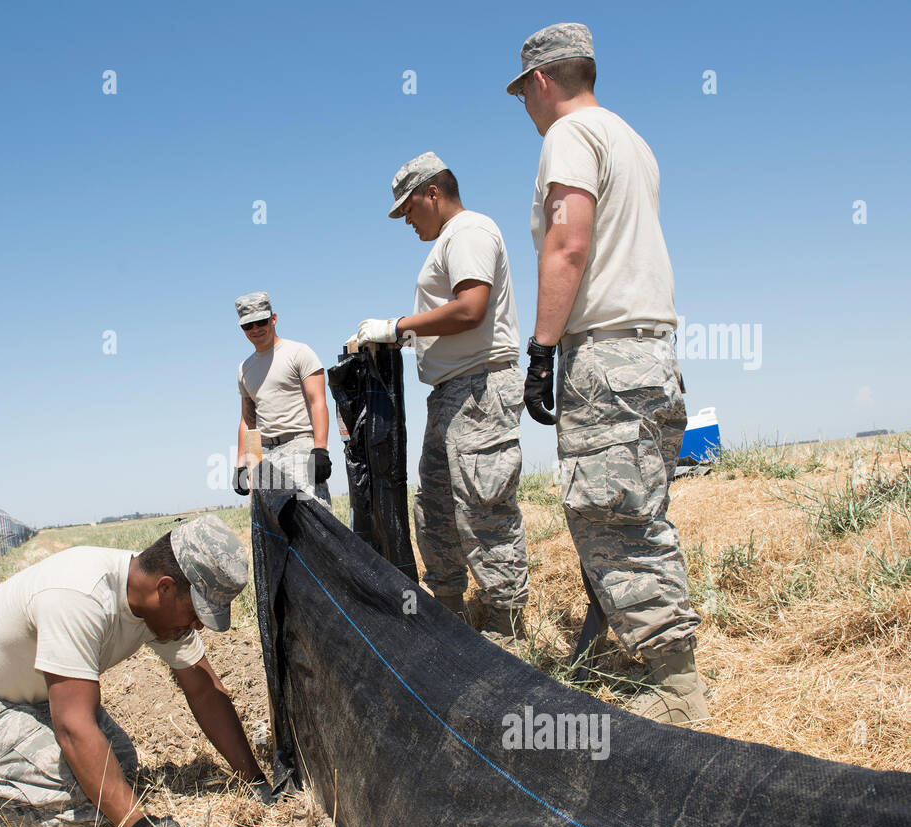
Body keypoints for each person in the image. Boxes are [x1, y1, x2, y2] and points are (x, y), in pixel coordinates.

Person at [509, 22, 707, 723]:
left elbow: (567, 243)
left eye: (522, 95)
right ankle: (609, 636)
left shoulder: (566, 136)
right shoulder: (632, 139)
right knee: (632, 505)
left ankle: (677, 687)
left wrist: (540, 349)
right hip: (654, 353)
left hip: (606, 356)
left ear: (541, 82)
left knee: (610, 514)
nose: (525, 109)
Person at [0, 515, 271, 827]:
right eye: (196, 612)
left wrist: (253, 779)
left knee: (119, 766)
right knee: (94, 807)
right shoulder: (80, 596)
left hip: (19, 700)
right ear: (166, 587)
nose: (197, 625)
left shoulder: (157, 608)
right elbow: (74, 727)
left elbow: (204, 691)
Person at [355, 154, 530, 638]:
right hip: (452, 394)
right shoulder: (449, 241)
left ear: (433, 192)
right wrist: (399, 337)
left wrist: (398, 327)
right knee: (436, 509)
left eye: (409, 209)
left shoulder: (469, 232)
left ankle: (505, 624)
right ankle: (449, 610)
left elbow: (471, 308)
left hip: (479, 389)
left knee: (484, 507)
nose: (407, 221)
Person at [231, 291, 333, 508]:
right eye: (248, 326)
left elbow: (318, 402)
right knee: (273, 530)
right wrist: (240, 465)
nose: (256, 329)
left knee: (313, 520)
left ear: (273, 319)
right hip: (264, 455)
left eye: (261, 321)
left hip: (300, 447)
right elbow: (248, 420)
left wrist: (321, 449)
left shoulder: (299, 353)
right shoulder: (244, 369)